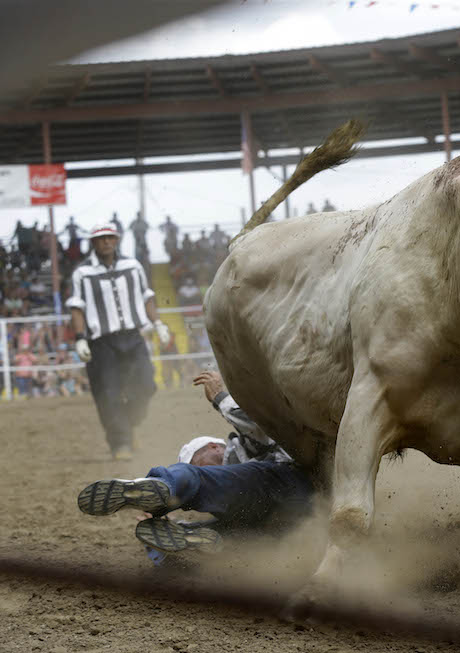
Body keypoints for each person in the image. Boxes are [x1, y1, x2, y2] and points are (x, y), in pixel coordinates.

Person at [76, 370, 312, 564]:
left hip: (291, 483)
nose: (205, 469)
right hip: (291, 522)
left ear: (213, 447)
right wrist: (161, 529)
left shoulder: (245, 445)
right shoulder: (229, 495)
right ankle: (177, 543)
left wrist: (220, 399)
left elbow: (264, 427)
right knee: (217, 529)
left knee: (194, 480)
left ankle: (162, 487)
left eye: (197, 461)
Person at [67, 222, 171, 460]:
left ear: (117, 240)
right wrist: (81, 338)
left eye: (110, 237)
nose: (106, 242)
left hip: (132, 337)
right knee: (108, 393)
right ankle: (120, 443)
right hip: (101, 343)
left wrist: (158, 324)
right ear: (93, 243)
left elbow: (147, 297)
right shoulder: (82, 273)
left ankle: (129, 424)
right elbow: (77, 307)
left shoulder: (133, 266)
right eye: (101, 238)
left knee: (147, 385)